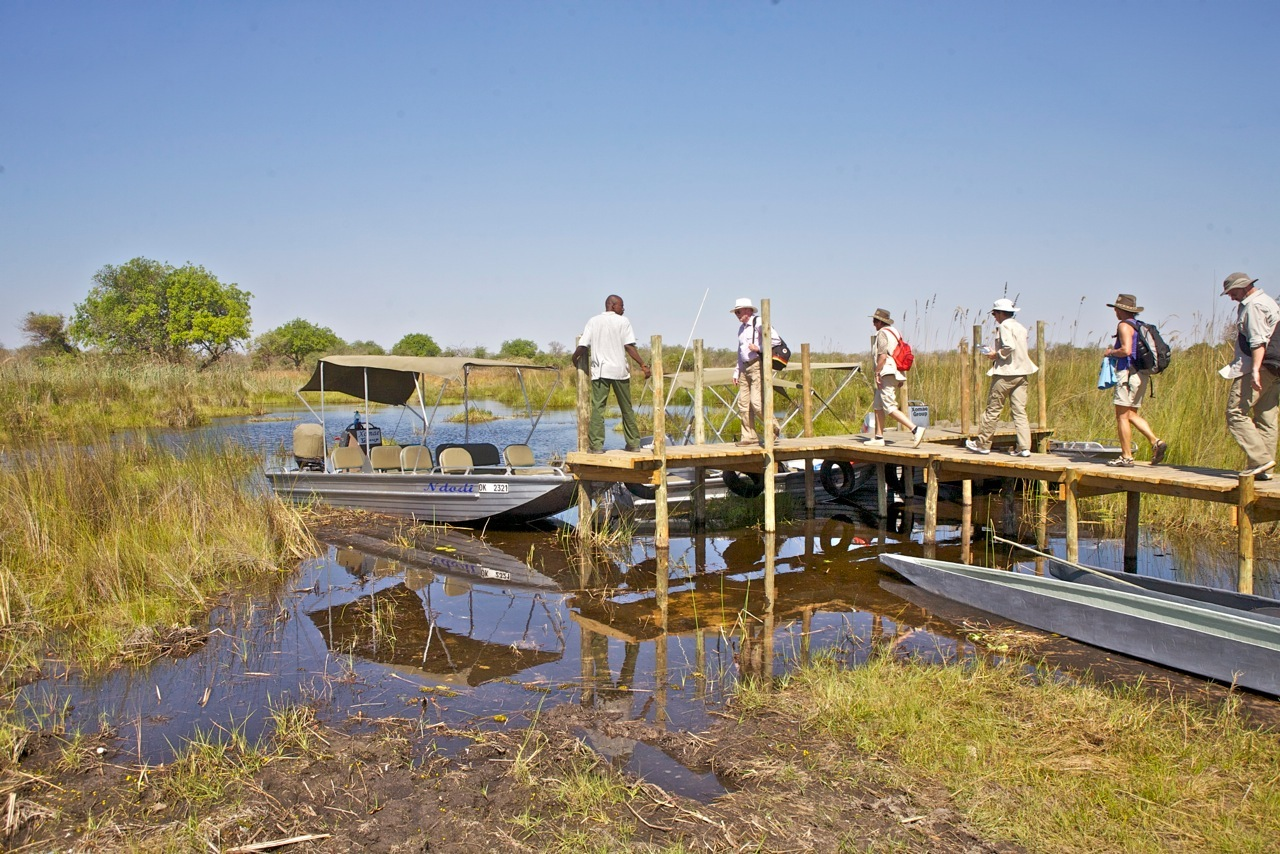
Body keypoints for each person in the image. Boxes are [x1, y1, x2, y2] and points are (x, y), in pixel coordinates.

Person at [572, 295, 651, 453]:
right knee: (626, 408)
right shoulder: (623, 321)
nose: (623, 309)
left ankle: (596, 446)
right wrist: (642, 364)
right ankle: (634, 444)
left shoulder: (593, 321)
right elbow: (628, 346)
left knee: (598, 409)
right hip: (620, 371)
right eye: (621, 305)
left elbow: (583, 345)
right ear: (613, 305)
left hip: (600, 372)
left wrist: (574, 357)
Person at [1220, 272, 1280, 479]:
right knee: (1266, 415)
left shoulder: (1253, 306)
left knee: (1235, 412)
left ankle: (1261, 460)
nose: (1230, 296)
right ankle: (1265, 469)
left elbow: (1257, 341)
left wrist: (1255, 370)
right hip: (1275, 367)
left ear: (1244, 286)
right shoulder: (1268, 302)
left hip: (1259, 366)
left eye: (1232, 292)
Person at [1098, 294, 1167, 468]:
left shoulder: (1123, 325)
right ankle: (1155, 442)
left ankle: (1127, 456)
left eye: (1116, 308)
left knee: (1121, 416)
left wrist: (1110, 353)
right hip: (1141, 375)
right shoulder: (1138, 326)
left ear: (1121, 310)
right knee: (1130, 414)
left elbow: (1126, 350)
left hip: (1128, 375)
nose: (1114, 311)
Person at [965, 298, 1040, 457]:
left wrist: (995, 354)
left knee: (993, 409)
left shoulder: (1004, 326)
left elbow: (1009, 347)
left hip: (1005, 374)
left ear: (1001, 313)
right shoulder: (1020, 327)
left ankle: (983, 444)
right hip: (1022, 373)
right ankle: (1024, 447)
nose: (994, 316)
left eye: (994, 313)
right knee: (1020, 411)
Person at [869, 308, 926, 448]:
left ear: (881, 322)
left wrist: (877, 372)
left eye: (875, 321)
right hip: (894, 372)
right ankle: (879, 437)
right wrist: (900, 377)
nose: (873, 323)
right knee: (878, 405)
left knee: (889, 407)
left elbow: (882, 356)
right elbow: (899, 354)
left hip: (886, 373)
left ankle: (915, 429)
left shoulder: (882, 333)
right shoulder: (895, 332)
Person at [731, 298, 783, 446]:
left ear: (748, 310)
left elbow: (775, 340)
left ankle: (773, 428)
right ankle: (749, 436)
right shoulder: (741, 329)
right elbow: (740, 352)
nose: (737, 314)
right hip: (744, 368)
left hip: (756, 365)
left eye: (738, 311)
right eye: (736, 312)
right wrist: (736, 372)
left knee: (756, 402)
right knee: (743, 404)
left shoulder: (758, 322)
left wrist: (759, 348)